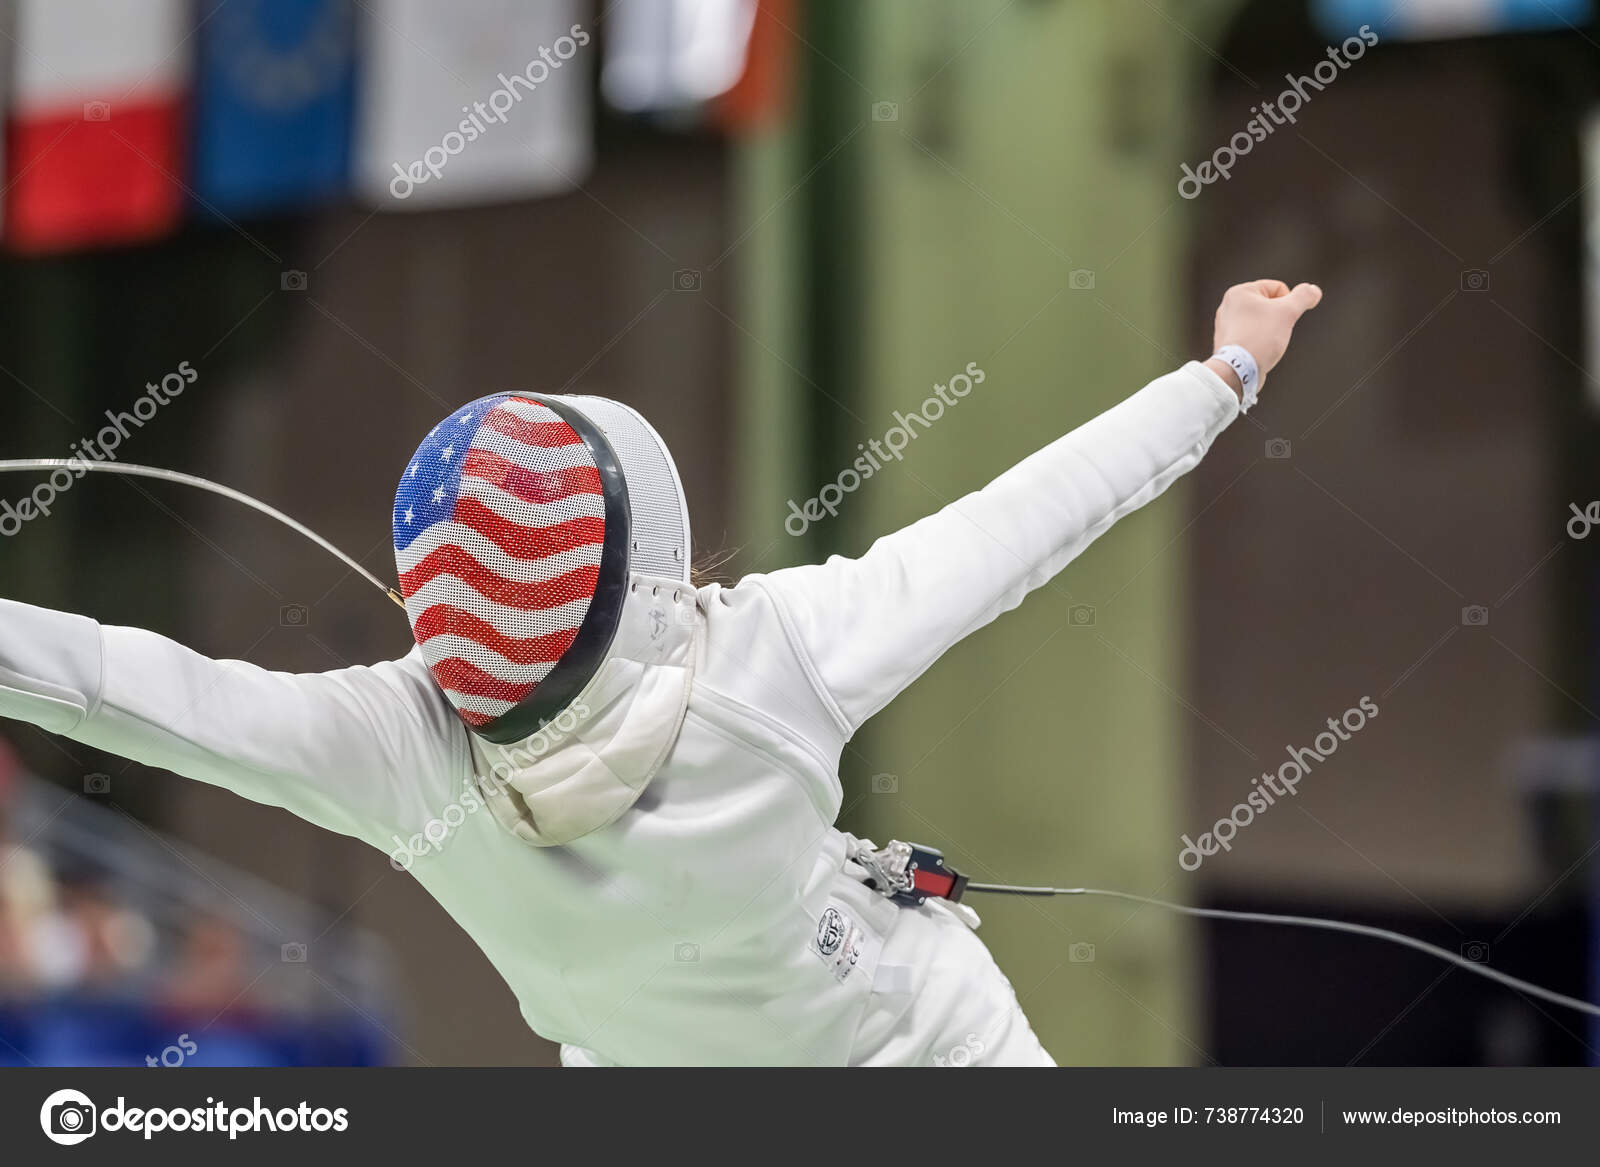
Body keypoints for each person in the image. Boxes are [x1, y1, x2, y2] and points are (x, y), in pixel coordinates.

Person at [0, 279, 1321, 1065]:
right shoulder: (779, 653)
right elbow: (1030, 517)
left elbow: (122, 686)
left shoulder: (394, 749)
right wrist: (1227, 370)